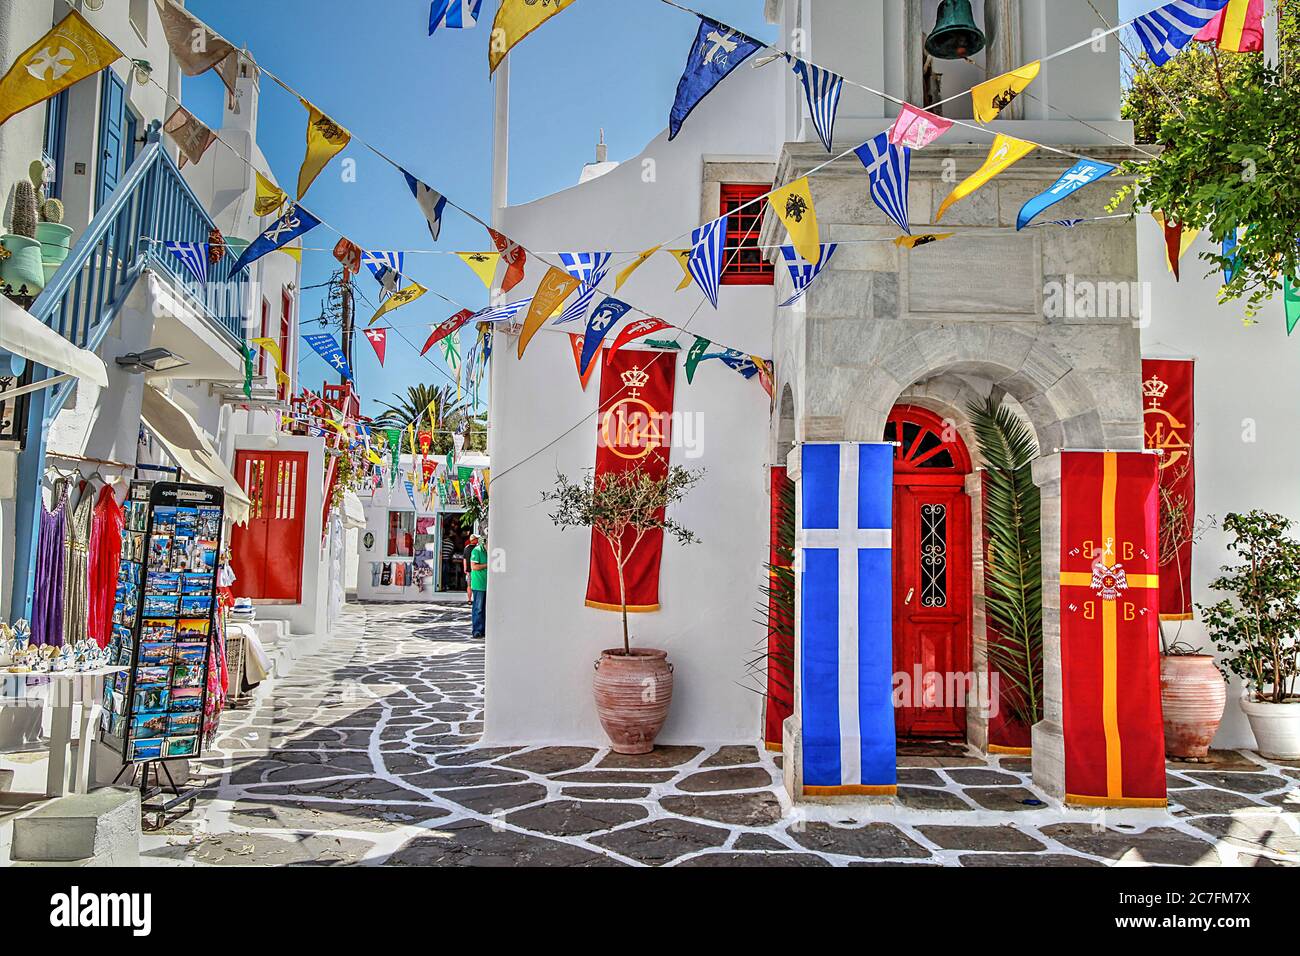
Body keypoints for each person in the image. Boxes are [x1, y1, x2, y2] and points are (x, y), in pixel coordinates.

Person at [466, 532, 488, 639]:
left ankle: (484, 629)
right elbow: (474, 566)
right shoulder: (477, 551)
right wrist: (488, 565)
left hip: (487, 585)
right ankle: (477, 630)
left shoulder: (489, 552)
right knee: (478, 608)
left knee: (485, 608)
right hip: (479, 585)